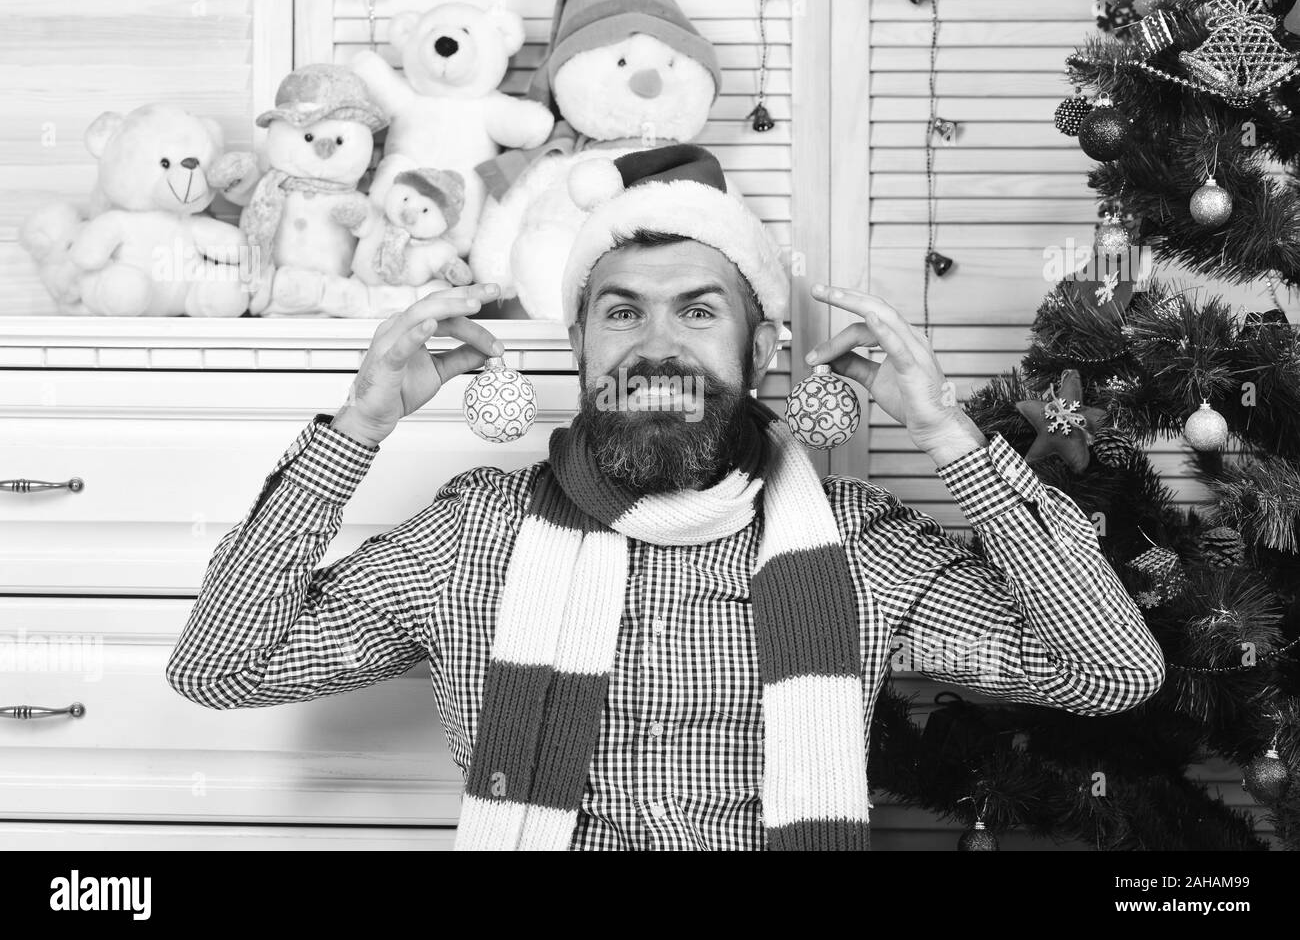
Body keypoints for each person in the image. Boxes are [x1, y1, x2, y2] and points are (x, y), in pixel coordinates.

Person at [166, 144, 1165, 851]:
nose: (655, 344)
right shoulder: (474, 533)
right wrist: (358, 430)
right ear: (579, 348)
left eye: (696, 311)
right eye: (621, 312)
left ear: (761, 350)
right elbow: (221, 670)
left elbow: (1108, 673)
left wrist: (947, 433)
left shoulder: (861, 548)